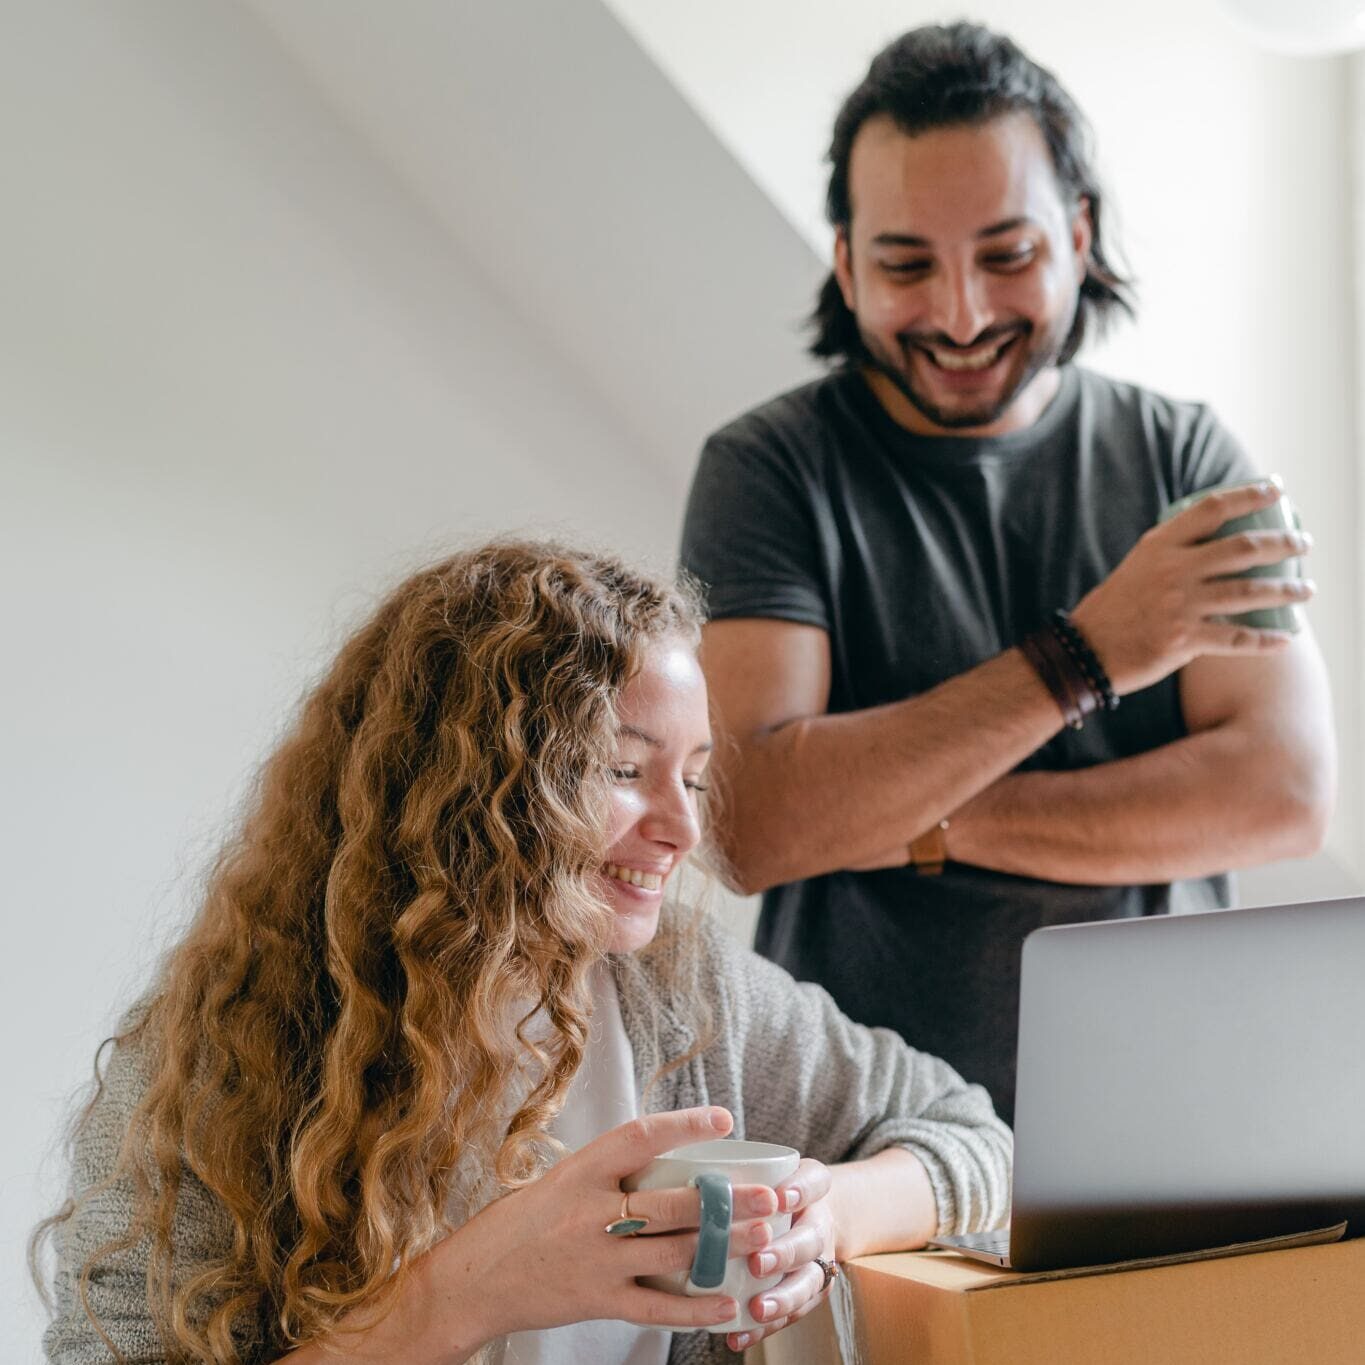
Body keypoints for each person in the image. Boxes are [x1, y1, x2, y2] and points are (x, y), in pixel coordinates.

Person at [35, 540, 1009, 1365]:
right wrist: (470, 1291)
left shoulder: (678, 988)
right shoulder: (225, 1054)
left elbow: (976, 1140)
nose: (681, 828)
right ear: (472, 789)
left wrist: (823, 1211)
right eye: (623, 771)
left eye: (696, 778)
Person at [679, 22, 1336, 1123]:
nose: (962, 313)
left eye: (1006, 254)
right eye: (904, 266)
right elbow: (753, 828)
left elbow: (1283, 795)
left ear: (1077, 237)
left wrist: (924, 817)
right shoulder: (768, 469)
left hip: (1164, 1109)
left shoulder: (1187, 460)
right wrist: (1085, 657)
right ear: (845, 263)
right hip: (856, 1134)